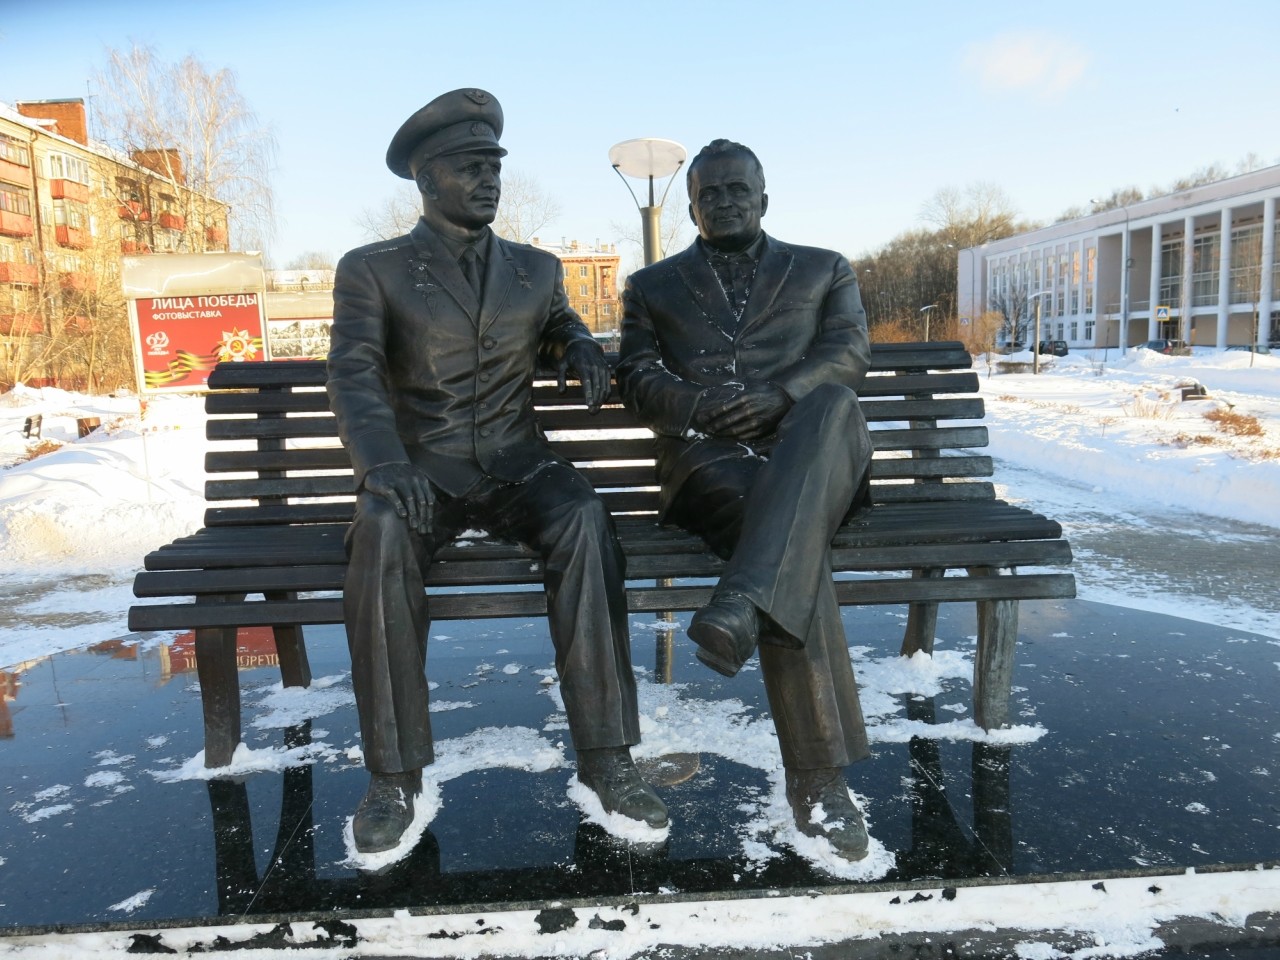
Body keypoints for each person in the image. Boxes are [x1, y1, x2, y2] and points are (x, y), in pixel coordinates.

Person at [327, 88, 666, 854]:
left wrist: (577, 345)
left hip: (518, 461)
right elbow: (352, 372)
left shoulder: (534, 269)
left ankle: (609, 757)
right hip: (424, 469)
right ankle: (393, 774)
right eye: (470, 166)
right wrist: (382, 466)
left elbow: (556, 325)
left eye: (494, 166)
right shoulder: (373, 269)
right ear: (426, 179)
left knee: (584, 518)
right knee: (377, 536)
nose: (489, 179)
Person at [616, 138, 875, 860]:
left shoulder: (825, 268)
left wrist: (776, 398)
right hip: (712, 465)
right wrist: (698, 407)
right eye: (711, 192)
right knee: (793, 546)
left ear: (765, 198)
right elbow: (634, 373)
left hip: (815, 451)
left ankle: (741, 602)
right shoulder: (652, 286)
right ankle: (819, 781)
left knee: (832, 406)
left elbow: (849, 354)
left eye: (740, 189)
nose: (726, 200)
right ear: (690, 204)